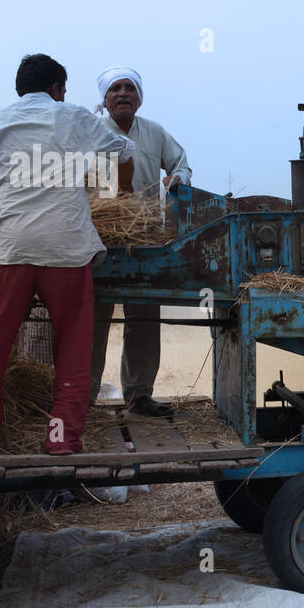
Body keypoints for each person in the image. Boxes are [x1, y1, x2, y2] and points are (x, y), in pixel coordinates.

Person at [0, 54, 134, 456]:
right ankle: (61, 440)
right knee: (71, 354)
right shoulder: (70, 116)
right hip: (66, 251)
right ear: (57, 89)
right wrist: (119, 197)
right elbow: (123, 151)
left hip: (7, 251)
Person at [88, 66, 191, 417]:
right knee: (93, 317)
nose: (122, 94)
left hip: (146, 235)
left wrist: (176, 178)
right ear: (104, 98)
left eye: (129, 88)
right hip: (98, 235)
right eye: (115, 88)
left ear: (139, 97)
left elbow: (181, 163)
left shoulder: (154, 132)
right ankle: (84, 395)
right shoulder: (89, 131)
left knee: (144, 315)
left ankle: (139, 395)